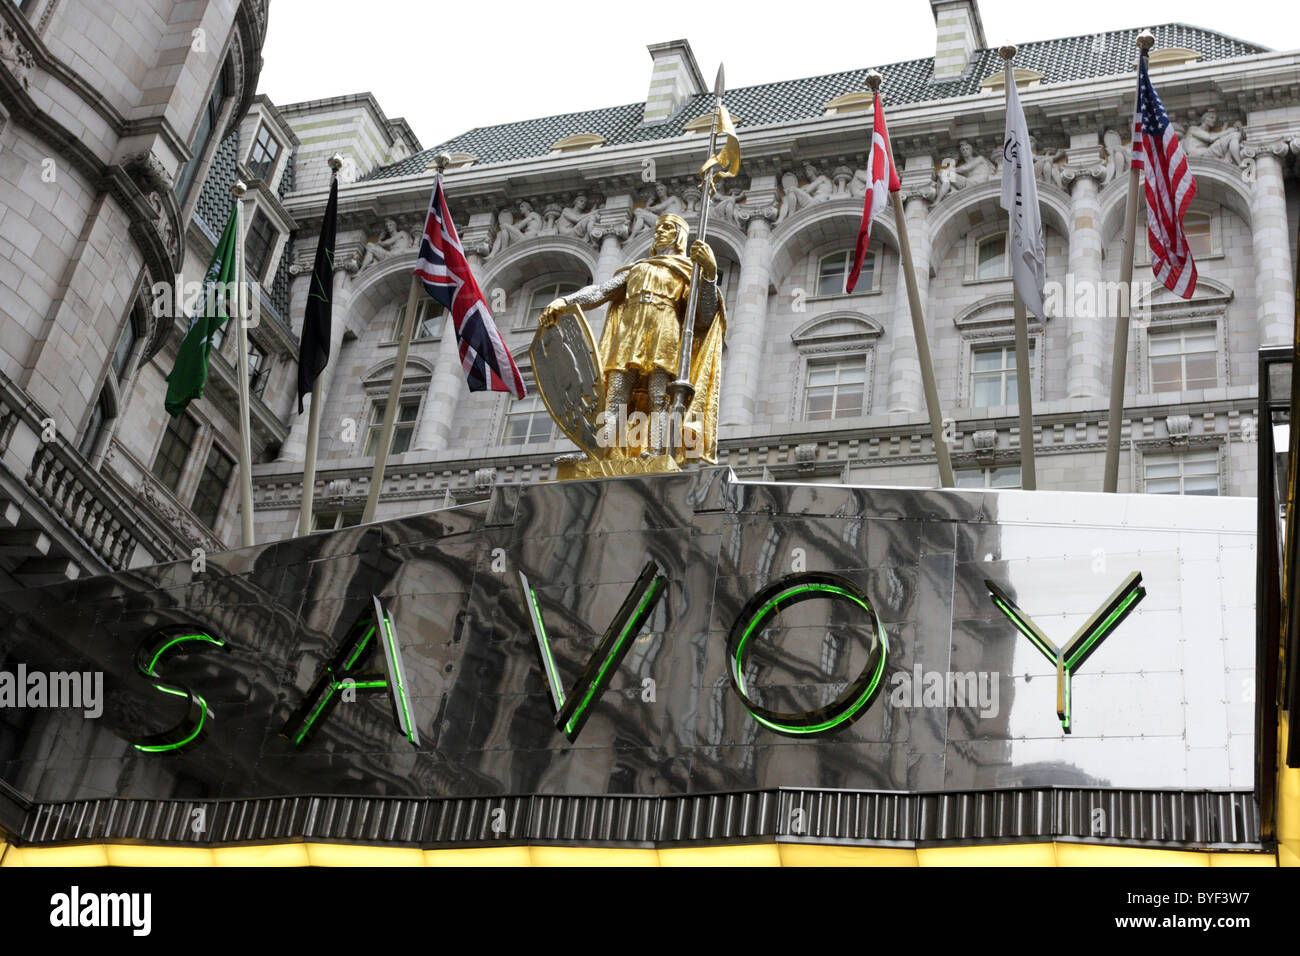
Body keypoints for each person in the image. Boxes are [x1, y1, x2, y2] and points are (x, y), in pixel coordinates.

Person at [538, 214, 725, 460]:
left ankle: (658, 451)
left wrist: (709, 275)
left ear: (679, 236)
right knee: (614, 395)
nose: (659, 232)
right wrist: (567, 301)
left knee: (660, 395)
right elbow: (601, 291)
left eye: (667, 228)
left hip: (665, 331)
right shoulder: (638, 268)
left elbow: (704, 316)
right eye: (658, 228)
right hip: (629, 332)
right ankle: (600, 452)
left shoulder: (687, 272)